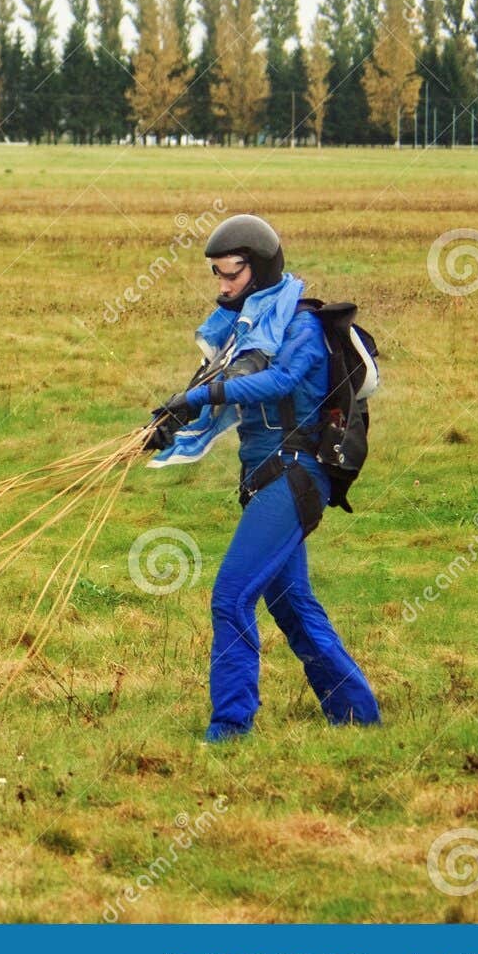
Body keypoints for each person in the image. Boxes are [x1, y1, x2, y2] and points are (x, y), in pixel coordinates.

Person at [147, 214, 381, 741]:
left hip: (296, 479)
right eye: (217, 276)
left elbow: (280, 379)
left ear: (260, 267)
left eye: (231, 274)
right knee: (292, 604)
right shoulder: (246, 328)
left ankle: (230, 728)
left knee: (230, 597)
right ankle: (357, 716)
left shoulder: (298, 325)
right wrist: (169, 421)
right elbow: (217, 384)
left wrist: (200, 397)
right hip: (261, 480)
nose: (223, 286)